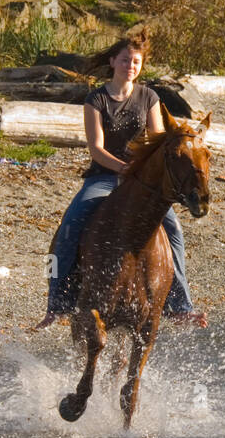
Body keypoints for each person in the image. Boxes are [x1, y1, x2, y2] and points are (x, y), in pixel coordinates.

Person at [34, 30, 207, 330]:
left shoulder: (149, 98)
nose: (131, 65)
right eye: (125, 59)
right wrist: (122, 169)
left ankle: (180, 306)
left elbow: (156, 143)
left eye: (136, 61)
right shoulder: (96, 100)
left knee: (174, 228)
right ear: (113, 61)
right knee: (72, 222)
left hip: (141, 182)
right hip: (103, 178)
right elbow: (96, 149)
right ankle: (57, 303)